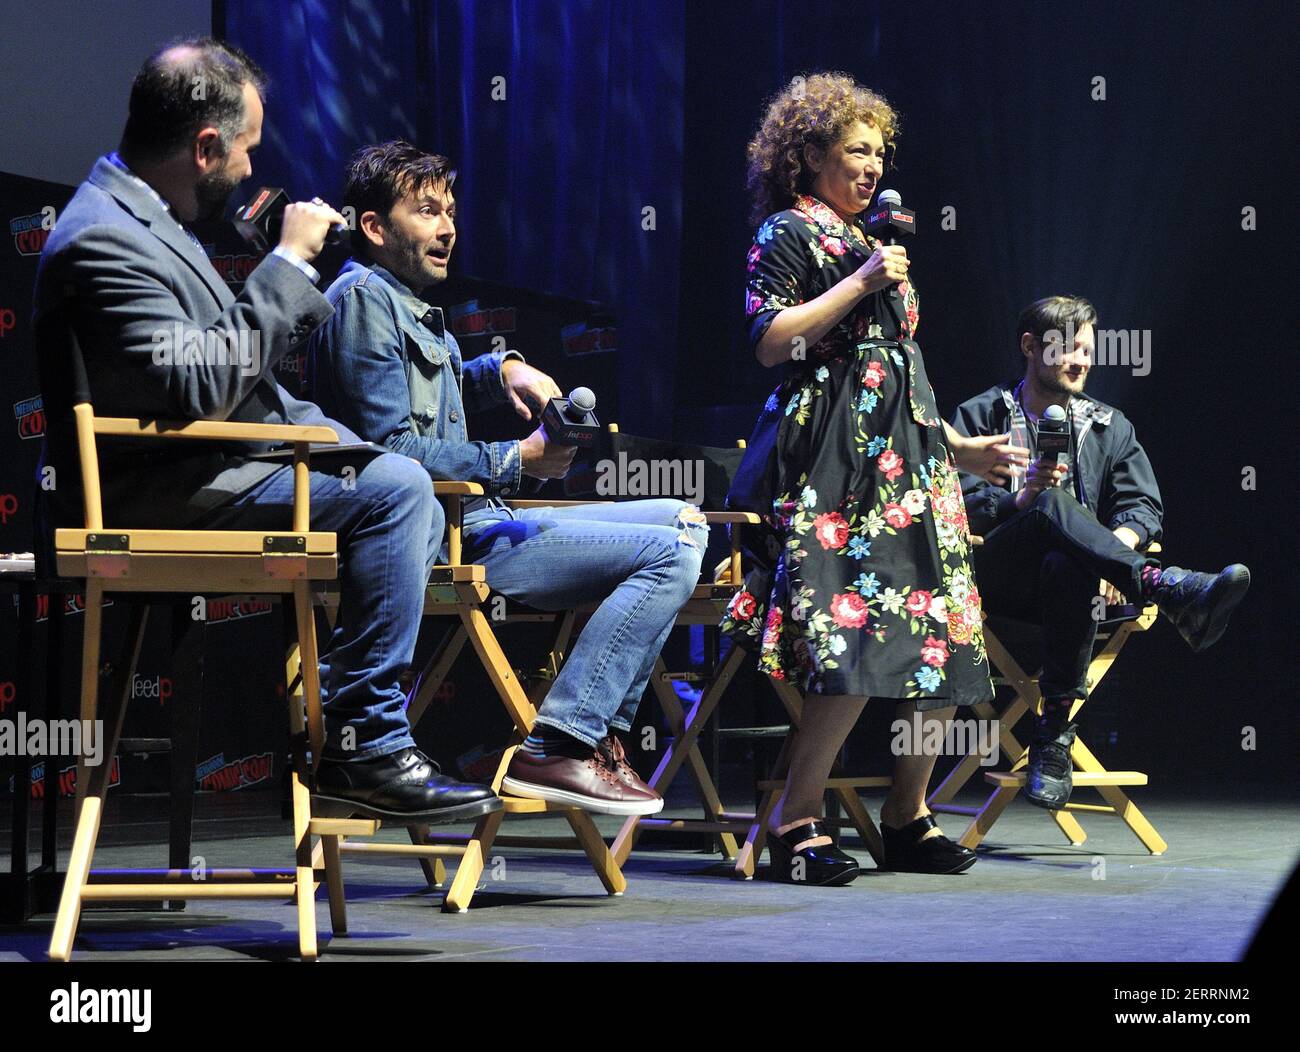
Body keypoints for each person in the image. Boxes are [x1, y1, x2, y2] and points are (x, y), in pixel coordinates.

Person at [33, 38, 500, 825]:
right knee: (396, 490)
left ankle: (355, 732)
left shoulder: (150, 221)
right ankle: (364, 744)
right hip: (163, 492)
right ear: (204, 147)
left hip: (205, 467)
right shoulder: (103, 236)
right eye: (246, 149)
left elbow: (228, 377)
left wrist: (340, 436)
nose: (252, 168)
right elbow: (203, 384)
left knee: (397, 484)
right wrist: (285, 263)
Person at [309, 140, 707, 817]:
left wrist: (502, 370)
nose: (447, 228)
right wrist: (517, 459)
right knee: (670, 549)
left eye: (450, 211)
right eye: (426, 211)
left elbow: (425, 394)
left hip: (483, 521)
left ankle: (595, 737)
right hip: (446, 538)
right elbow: (391, 452)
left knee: (684, 519)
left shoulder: (402, 305)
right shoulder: (362, 299)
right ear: (373, 226)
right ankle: (562, 742)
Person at [721, 73, 1027, 885]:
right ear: (810, 154)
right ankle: (796, 820)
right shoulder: (791, 232)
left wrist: (959, 449)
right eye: (857, 151)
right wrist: (859, 283)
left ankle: (907, 816)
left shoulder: (872, 244)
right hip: (834, 466)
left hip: (912, 470)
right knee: (850, 638)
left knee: (943, 635)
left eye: (880, 153)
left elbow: (894, 371)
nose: (873, 167)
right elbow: (771, 342)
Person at [951, 295, 1250, 808]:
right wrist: (1019, 500)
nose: (1082, 361)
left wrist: (1117, 549)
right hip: (996, 585)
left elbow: (1142, 506)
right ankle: (1163, 586)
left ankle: (1052, 735)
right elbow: (949, 500)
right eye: (1068, 349)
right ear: (1030, 346)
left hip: (1080, 587)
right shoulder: (980, 415)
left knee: (1067, 561)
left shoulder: (1110, 424)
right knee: (1048, 503)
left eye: (1088, 351)